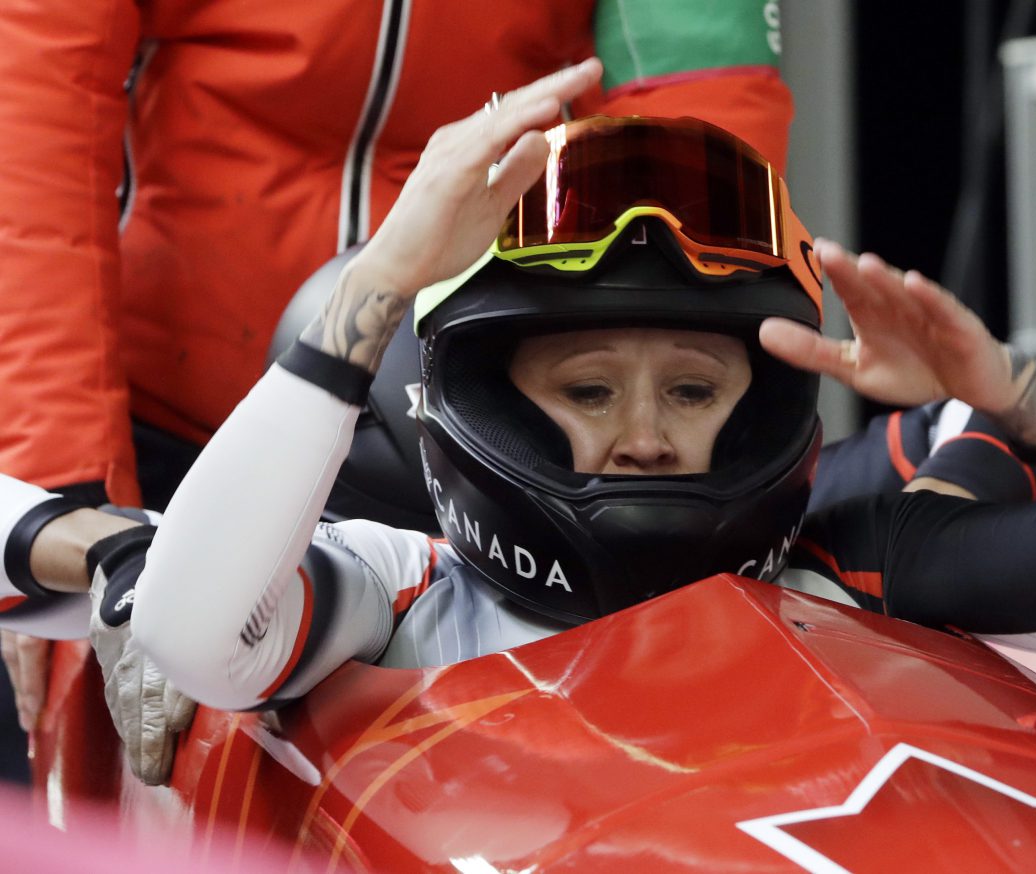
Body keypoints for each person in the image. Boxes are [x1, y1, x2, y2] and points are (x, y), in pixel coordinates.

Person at [0, 66, 1036, 727]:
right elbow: (183, 632)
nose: (649, 429)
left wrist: (1013, 396)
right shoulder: (394, 590)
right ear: (481, 407)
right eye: (589, 386)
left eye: (691, 384)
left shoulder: (853, 564)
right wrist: (389, 272)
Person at [0, 0, 795, 758]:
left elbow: (698, 87)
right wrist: (72, 497)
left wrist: (682, 332)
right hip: (159, 418)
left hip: (509, 386)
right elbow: (38, 101)